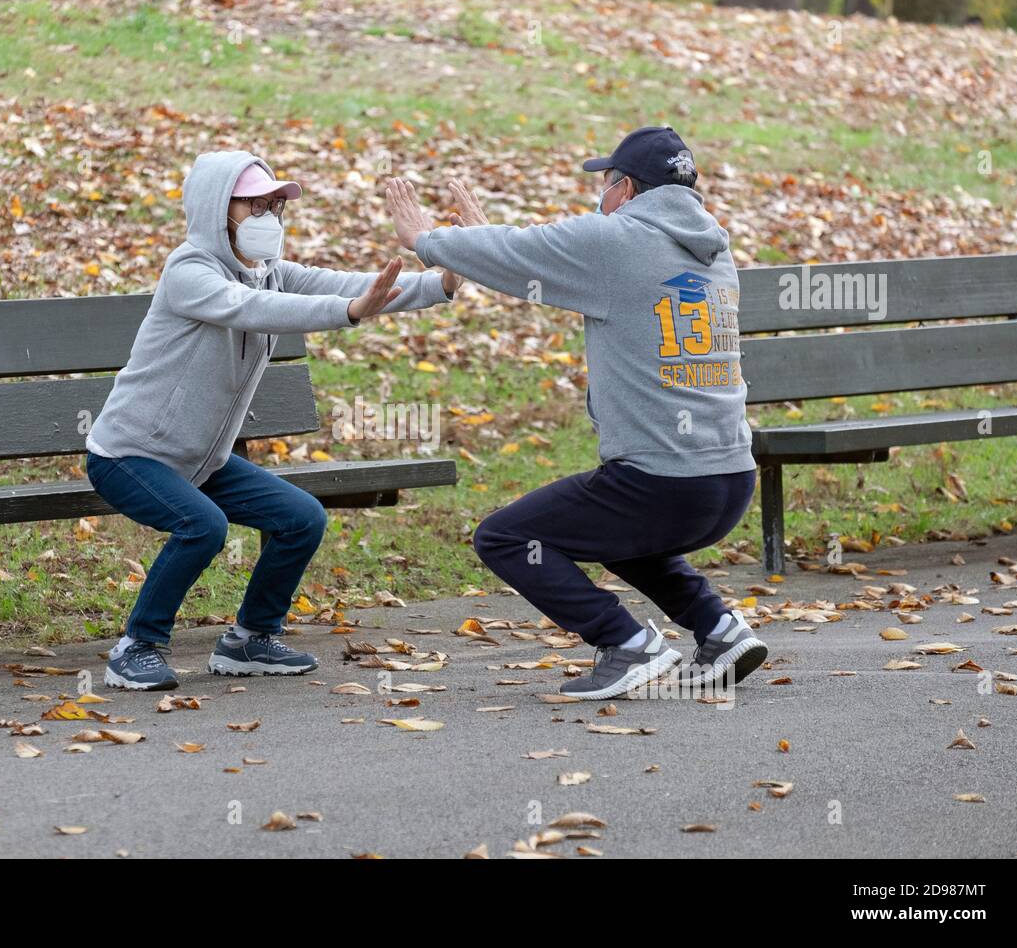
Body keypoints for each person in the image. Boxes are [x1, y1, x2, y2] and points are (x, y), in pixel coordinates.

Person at [385, 126, 766, 700]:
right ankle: (718, 630)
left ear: (626, 187)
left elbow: (529, 251)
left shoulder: (618, 240)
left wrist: (424, 238)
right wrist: (484, 238)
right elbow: (530, 259)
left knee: (506, 536)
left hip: (663, 484)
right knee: (615, 533)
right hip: (731, 479)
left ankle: (627, 645)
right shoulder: (712, 244)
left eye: (605, 182)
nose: (601, 196)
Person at [88, 150, 459, 691]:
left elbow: (349, 284)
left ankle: (248, 640)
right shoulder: (190, 269)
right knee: (203, 526)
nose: (267, 216)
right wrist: (350, 313)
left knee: (300, 517)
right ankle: (136, 647)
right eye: (255, 205)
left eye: (273, 207)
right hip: (129, 455)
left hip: (201, 459)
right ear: (219, 209)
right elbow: (249, 309)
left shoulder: (270, 272)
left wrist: (441, 283)